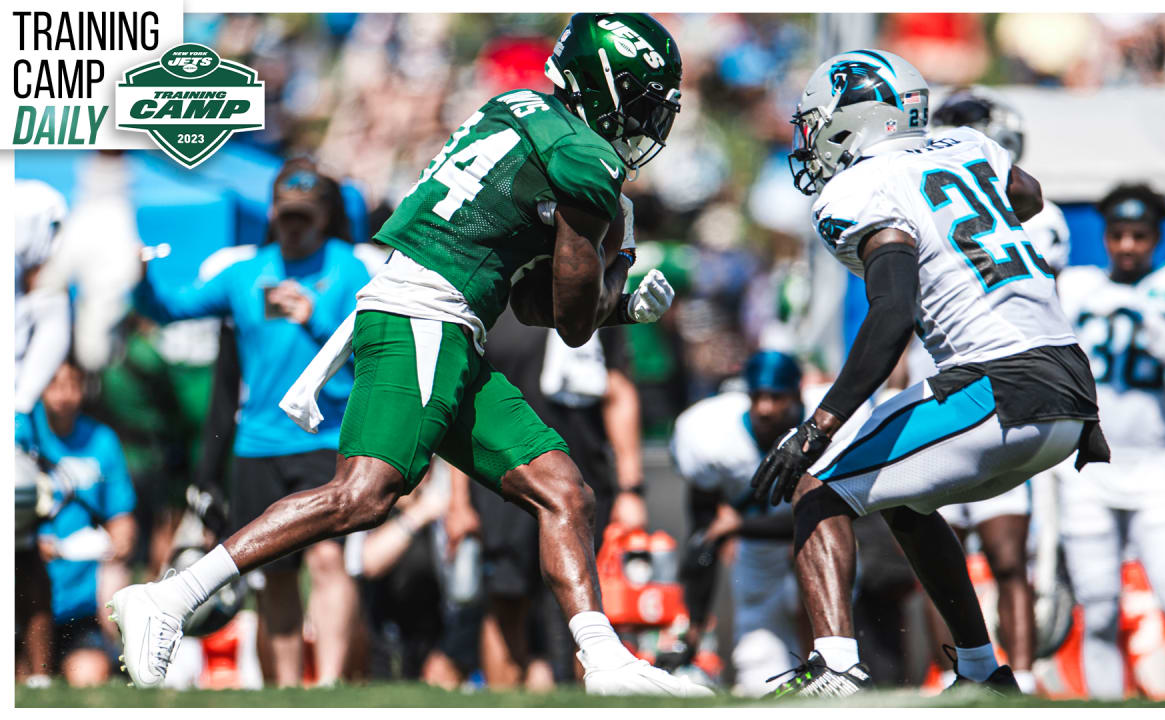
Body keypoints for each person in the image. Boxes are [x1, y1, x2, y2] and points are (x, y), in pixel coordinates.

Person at [109, 13, 709, 697]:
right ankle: (170, 596)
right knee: (364, 494)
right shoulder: (583, 156)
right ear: (603, 82)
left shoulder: (519, 111)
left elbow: (531, 306)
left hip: (444, 319)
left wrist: (610, 289)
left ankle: (605, 666)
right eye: (637, 97)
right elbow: (575, 322)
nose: (643, 120)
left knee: (561, 490)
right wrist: (619, 276)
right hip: (425, 319)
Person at [750, 49, 1108, 698]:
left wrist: (819, 425)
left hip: (997, 384)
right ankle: (983, 673)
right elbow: (1026, 193)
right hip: (1071, 386)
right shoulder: (970, 145)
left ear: (854, 118)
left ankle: (833, 668)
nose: (811, 137)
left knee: (816, 484)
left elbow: (893, 314)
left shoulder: (860, 188)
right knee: (903, 497)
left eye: (817, 120)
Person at [127, 159, 371, 687]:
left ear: (325, 216)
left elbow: (374, 351)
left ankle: (326, 686)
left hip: (326, 440)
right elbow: (173, 309)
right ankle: (286, 693)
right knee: (273, 578)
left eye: (305, 217)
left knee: (328, 563)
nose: (295, 227)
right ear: (273, 215)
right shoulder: (244, 273)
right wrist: (138, 279)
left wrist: (317, 318)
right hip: (257, 443)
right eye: (287, 216)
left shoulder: (350, 268)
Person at [912, 85, 1075, 694]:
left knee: (1008, 555)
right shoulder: (920, 195)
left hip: (1012, 376)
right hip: (954, 376)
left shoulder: (1040, 214)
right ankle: (955, 668)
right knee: (937, 539)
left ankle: (1023, 674)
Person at [1055, 183, 1165, 700]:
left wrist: (1148, 321)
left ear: (1158, 236)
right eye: (1117, 235)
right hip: (1088, 469)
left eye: (1139, 235)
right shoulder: (1079, 286)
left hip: (1157, 468)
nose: (1127, 245)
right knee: (1100, 609)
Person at [453, 311, 647, 690]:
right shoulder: (491, 300)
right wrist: (458, 502)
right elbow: (460, 401)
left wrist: (631, 489)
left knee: (587, 602)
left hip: (582, 476)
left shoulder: (588, 296)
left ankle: (588, 701)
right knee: (506, 599)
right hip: (500, 479)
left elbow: (619, 392)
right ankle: (504, 707)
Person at [671, 350, 845, 696]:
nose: (765, 408)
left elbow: (841, 518)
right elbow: (706, 532)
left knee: (836, 634)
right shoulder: (710, 432)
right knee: (758, 667)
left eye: (776, 397)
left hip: (821, 538)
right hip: (759, 549)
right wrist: (695, 621)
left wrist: (738, 527)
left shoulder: (834, 425)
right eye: (757, 397)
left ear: (797, 394)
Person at [33, 361, 138, 687]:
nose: (64, 395)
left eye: (72, 385)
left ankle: (119, 651)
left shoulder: (102, 440)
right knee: (22, 682)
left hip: (82, 603)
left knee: (88, 679)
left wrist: (117, 545)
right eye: (55, 384)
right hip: (29, 596)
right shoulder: (21, 435)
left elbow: (122, 519)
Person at [14, 178, 70, 689]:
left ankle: (39, 675)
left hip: (15, 422)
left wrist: (20, 403)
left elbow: (56, 323)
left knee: (26, 543)